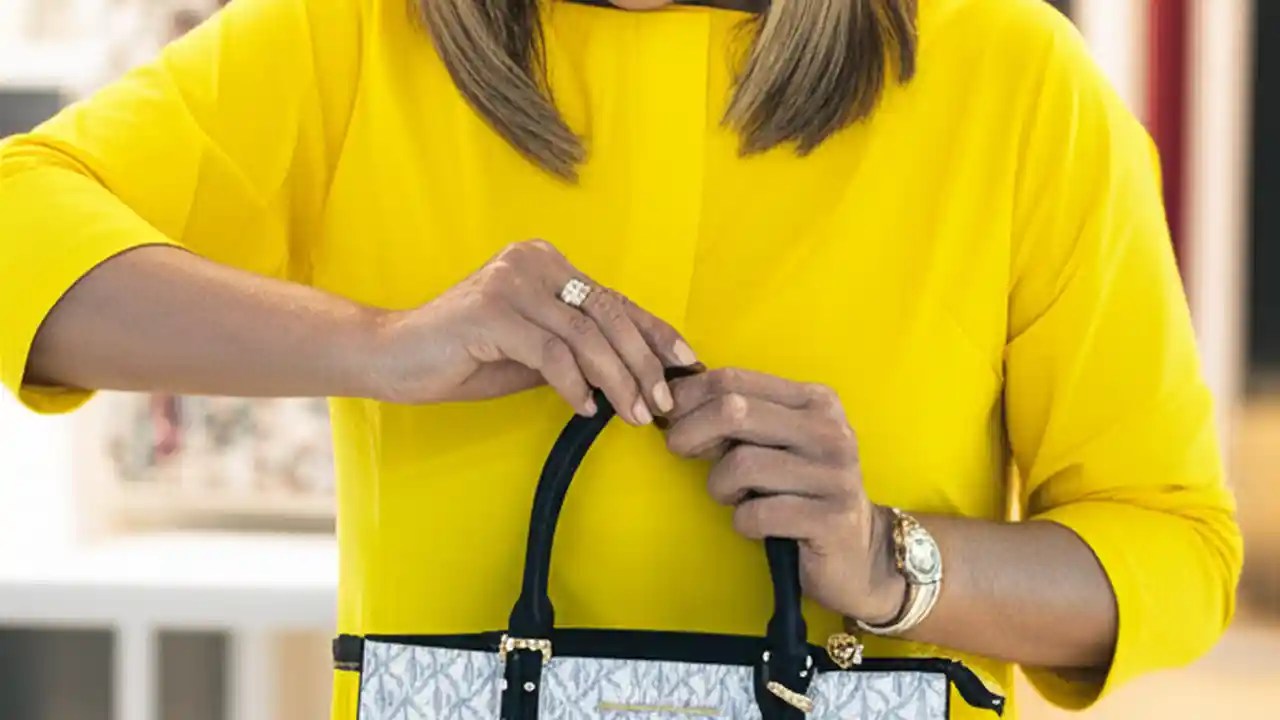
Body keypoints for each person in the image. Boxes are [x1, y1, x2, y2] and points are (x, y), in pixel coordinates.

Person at [0, 0, 1243, 717]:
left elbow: (1172, 554)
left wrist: (887, 561)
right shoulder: (358, 35)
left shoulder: (1009, 74)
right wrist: (378, 346)